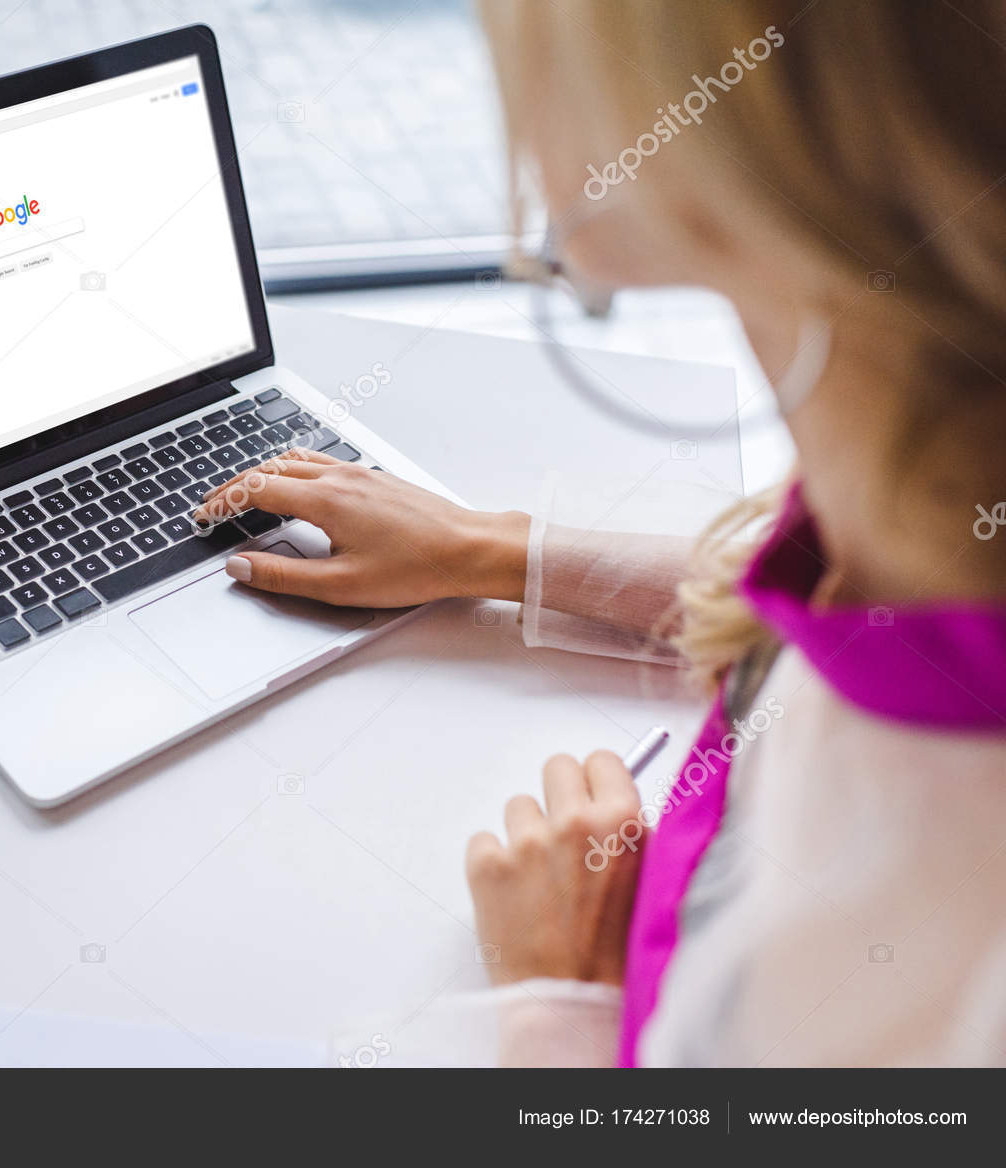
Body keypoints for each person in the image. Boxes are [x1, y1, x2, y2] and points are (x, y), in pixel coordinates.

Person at [197, 0, 1006, 1065]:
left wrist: (558, 1000)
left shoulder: (909, 964)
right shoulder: (921, 479)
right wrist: (488, 549)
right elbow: (832, 627)